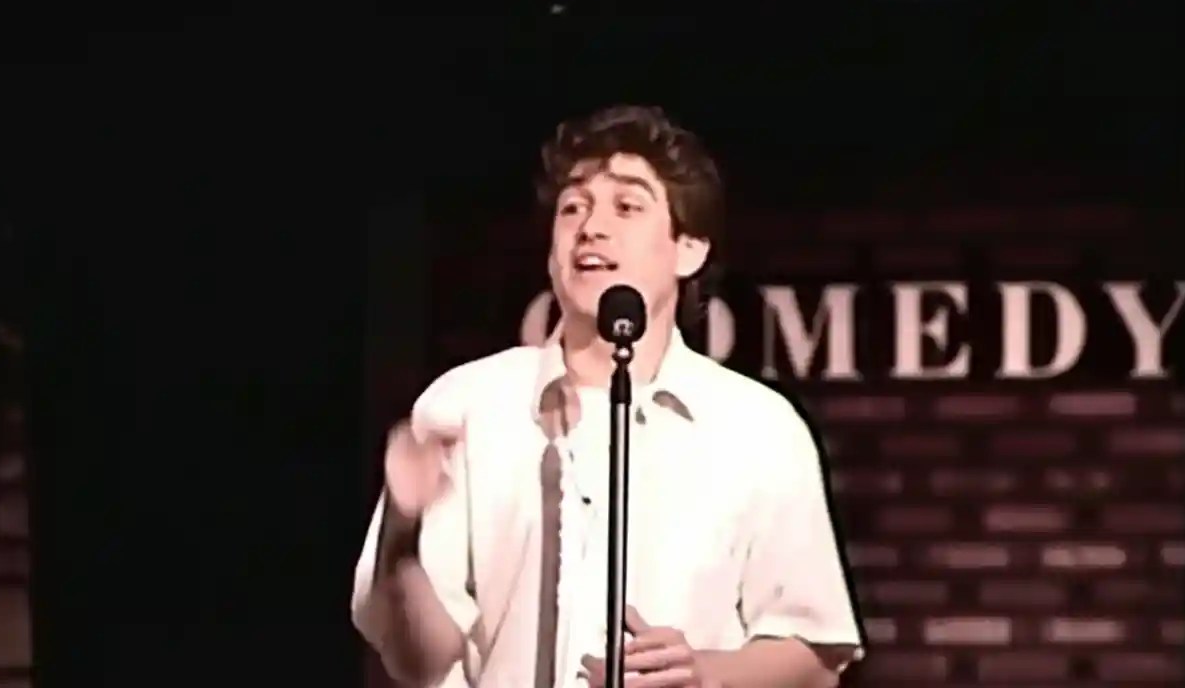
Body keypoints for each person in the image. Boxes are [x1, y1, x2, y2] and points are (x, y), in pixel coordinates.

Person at [352, 105, 864, 687]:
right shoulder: (468, 404)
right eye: (573, 207)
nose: (591, 227)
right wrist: (402, 540)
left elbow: (815, 658)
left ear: (689, 248)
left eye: (627, 207)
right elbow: (418, 662)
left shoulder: (759, 427)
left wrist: (706, 675)